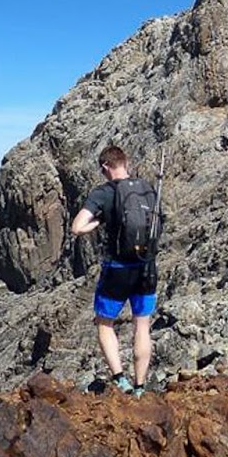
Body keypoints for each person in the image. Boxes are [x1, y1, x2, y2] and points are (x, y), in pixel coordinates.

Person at [69, 144, 161, 395]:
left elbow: (77, 227)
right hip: (146, 267)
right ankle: (140, 386)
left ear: (105, 167)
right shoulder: (147, 189)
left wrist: (98, 221)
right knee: (142, 325)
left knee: (104, 322)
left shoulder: (104, 193)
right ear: (125, 162)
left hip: (117, 269)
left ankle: (121, 380)